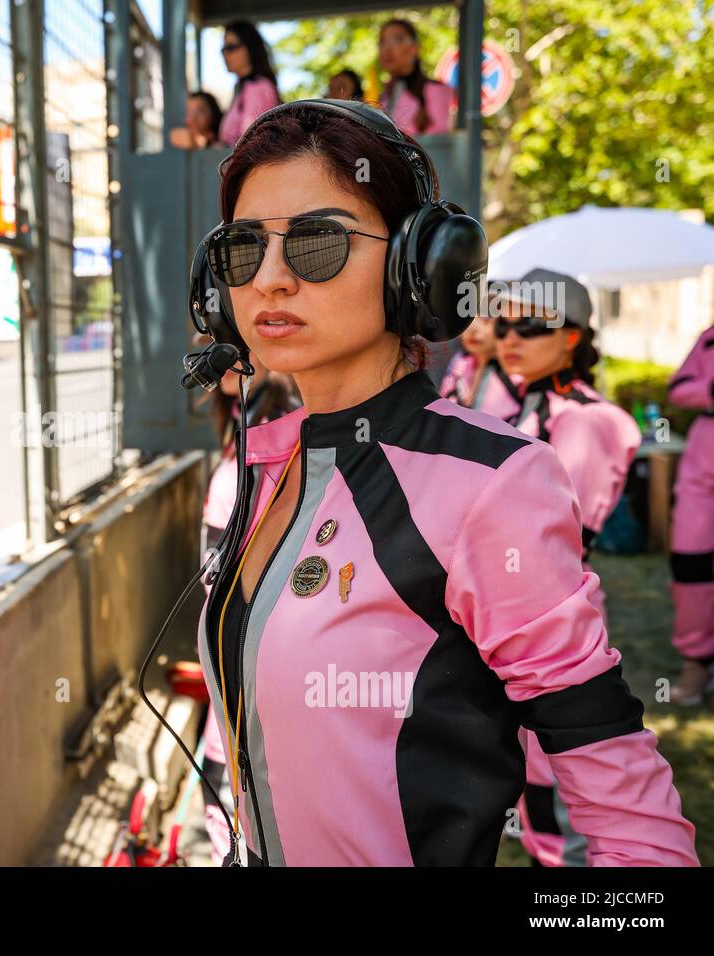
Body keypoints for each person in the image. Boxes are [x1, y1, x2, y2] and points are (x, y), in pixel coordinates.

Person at [194, 99, 697, 866]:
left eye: (318, 242)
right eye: (242, 248)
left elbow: (626, 807)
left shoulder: (492, 483)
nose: (269, 279)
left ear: (419, 269)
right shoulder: (265, 464)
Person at [491, 269, 644, 867]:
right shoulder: (526, 403)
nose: (510, 338)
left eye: (530, 325)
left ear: (573, 336)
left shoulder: (588, 419)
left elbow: (558, 534)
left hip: (552, 613)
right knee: (529, 769)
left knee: (558, 776)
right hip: (507, 610)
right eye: (503, 325)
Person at [197, 359, 298, 866]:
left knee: (237, 802)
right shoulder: (243, 420)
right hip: (234, 668)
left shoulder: (283, 429)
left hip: (260, 678)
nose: (220, 361)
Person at [667, 322, 714, 704]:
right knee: (690, 562)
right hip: (702, 466)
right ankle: (695, 664)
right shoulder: (709, 336)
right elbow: (678, 389)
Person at [438, 296, 520, 419]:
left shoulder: (518, 373)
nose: (472, 328)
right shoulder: (459, 363)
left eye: (486, 317)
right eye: (465, 318)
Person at [378, 18, 451, 136]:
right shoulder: (383, 95)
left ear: (414, 48)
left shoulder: (435, 90)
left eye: (396, 40)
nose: (387, 49)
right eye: (382, 42)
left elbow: (438, 140)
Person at [212, 21, 281, 146]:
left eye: (230, 47)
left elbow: (249, 142)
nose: (225, 54)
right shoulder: (243, 88)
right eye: (223, 49)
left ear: (250, 48)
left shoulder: (258, 87)